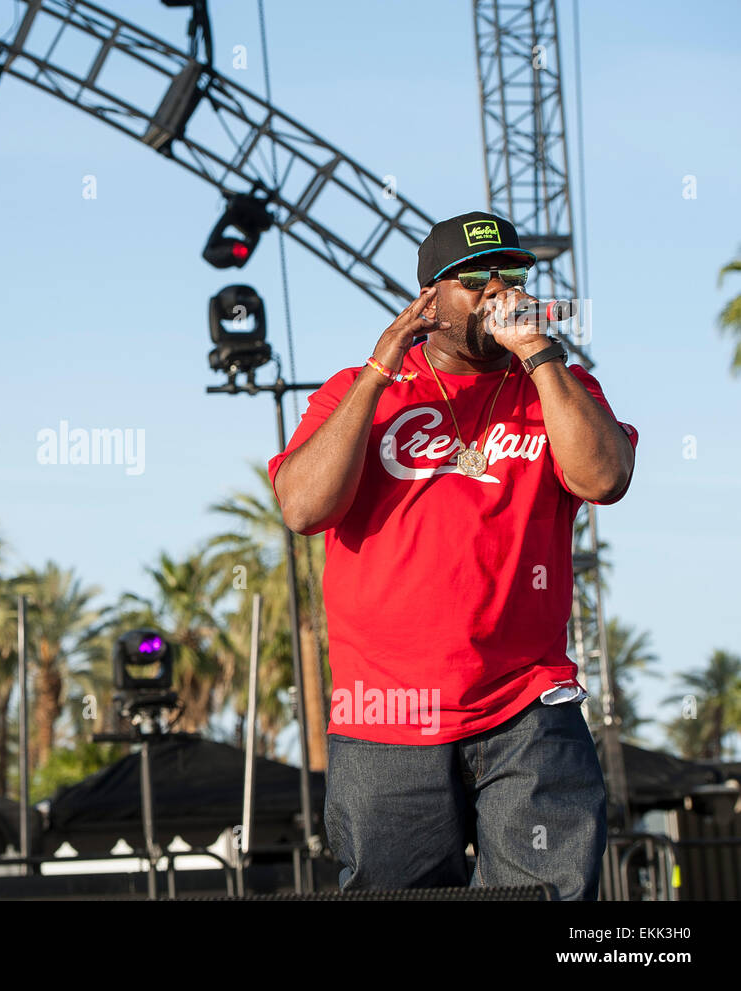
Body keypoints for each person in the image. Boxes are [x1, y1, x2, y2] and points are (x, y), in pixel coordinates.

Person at [268, 211, 637, 900]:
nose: (501, 291)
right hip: (386, 710)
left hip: (528, 703)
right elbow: (302, 508)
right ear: (430, 300)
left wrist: (539, 353)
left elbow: (604, 478)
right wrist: (380, 369)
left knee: (548, 897)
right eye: (478, 279)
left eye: (513, 274)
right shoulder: (361, 388)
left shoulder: (556, 385)